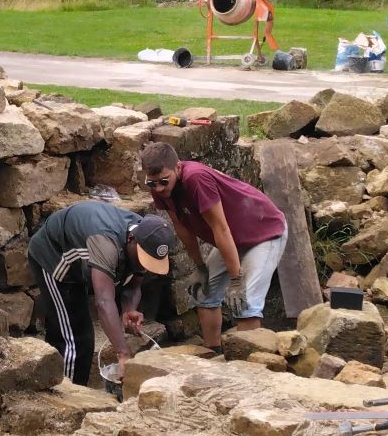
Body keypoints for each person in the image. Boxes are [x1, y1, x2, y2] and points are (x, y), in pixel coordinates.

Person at [141, 142, 289, 351]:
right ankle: (213, 354)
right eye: (152, 183)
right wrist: (199, 267)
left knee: (245, 302)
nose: (158, 188)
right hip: (233, 238)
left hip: (264, 232)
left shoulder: (196, 178)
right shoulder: (161, 187)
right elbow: (181, 227)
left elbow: (220, 228)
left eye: (164, 181)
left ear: (178, 167)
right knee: (204, 293)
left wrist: (236, 279)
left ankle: (249, 363)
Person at [28, 200, 175, 387]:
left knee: (71, 331)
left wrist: (129, 310)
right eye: (142, 259)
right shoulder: (106, 243)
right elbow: (103, 302)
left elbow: (133, 285)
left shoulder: (146, 238)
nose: (143, 265)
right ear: (132, 239)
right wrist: (123, 353)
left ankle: (54, 382)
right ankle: (69, 393)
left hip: (82, 261)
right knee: (75, 338)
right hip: (53, 256)